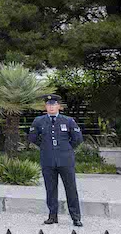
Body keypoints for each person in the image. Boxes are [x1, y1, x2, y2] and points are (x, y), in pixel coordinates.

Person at [28, 94, 84, 226]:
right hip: (48, 159)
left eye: (53, 104)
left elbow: (77, 139)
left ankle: (76, 217)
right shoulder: (39, 121)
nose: (51, 107)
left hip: (65, 160)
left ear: (59, 106)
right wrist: (45, 146)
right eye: (48, 105)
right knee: (50, 189)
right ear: (45, 106)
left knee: (71, 188)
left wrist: (66, 149)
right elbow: (33, 138)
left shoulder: (68, 121)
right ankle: (52, 216)